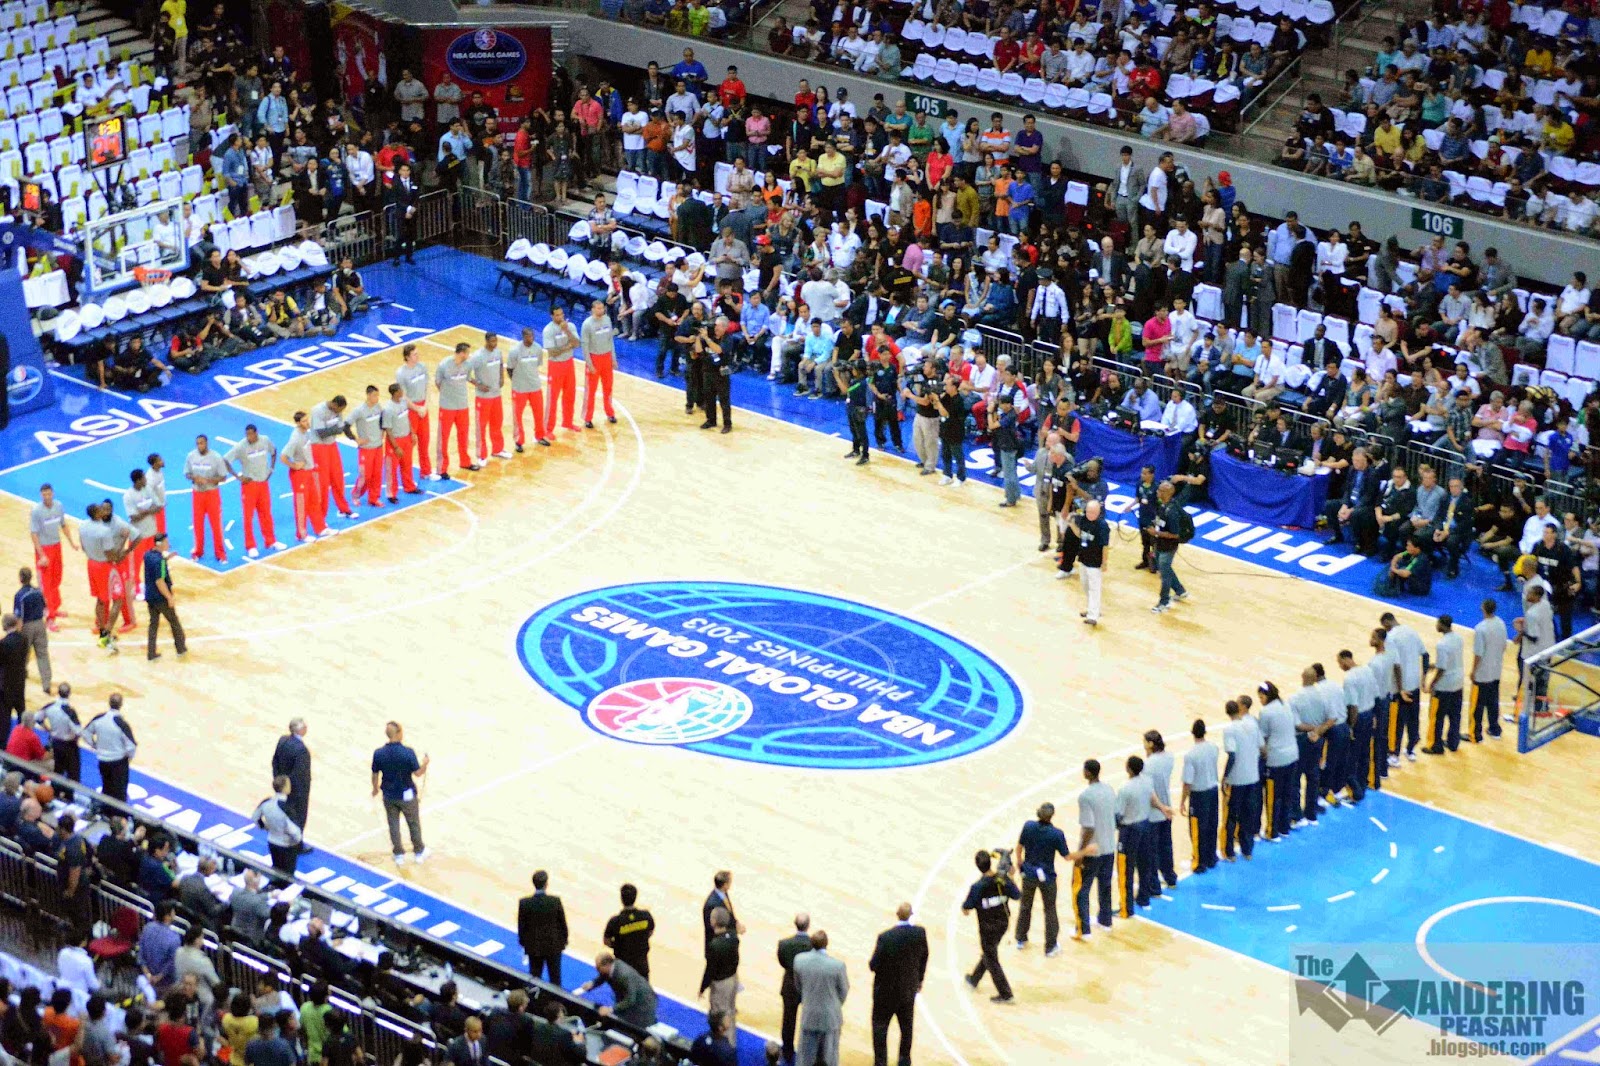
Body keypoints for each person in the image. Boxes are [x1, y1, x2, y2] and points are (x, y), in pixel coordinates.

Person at [868, 903, 926, 1066]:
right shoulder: (919, 934)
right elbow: (924, 958)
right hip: (908, 991)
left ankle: (880, 1063)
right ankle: (904, 1061)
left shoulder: (885, 937)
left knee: (880, 1028)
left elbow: (874, 965)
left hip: (885, 993)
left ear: (896, 914)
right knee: (906, 1028)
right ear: (911, 915)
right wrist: (919, 980)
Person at [962, 849, 1018, 1002]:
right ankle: (974, 979)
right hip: (1003, 924)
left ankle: (1006, 994)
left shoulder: (977, 887)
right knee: (989, 952)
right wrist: (1010, 877)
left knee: (991, 958)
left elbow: (966, 908)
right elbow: (1017, 895)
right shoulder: (1002, 880)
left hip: (987, 928)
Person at [371, 721, 429, 865]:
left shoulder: (379, 753)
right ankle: (419, 852)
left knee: (393, 825)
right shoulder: (407, 752)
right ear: (398, 733)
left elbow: (374, 774)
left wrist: (375, 788)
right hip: (407, 795)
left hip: (389, 795)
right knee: (413, 823)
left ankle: (398, 855)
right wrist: (425, 764)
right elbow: (417, 773)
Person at [1013, 803, 1068, 955]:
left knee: (1025, 906)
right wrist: (1084, 852)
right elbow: (1067, 856)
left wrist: (1020, 864)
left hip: (1029, 874)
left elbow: (1019, 847)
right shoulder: (1057, 834)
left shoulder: (1028, 826)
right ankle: (1050, 947)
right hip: (1047, 878)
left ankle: (1020, 938)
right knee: (1050, 910)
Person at [225, 425, 283, 557]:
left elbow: (274, 452)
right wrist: (237, 476)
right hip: (249, 485)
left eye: (251, 434)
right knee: (248, 516)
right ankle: (250, 546)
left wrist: (272, 469)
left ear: (256, 433)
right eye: (247, 435)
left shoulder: (265, 440)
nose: (249, 437)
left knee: (266, 514)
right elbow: (225, 460)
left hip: (263, 483)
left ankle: (271, 541)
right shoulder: (241, 446)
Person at [793, 930, 849, 1066]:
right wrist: (833, 1005)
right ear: (826, 944)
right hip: (830, 1018)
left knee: (805, 1059)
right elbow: (844, 990)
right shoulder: (837, 966)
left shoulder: (799, 960)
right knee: (830, 1059)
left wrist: (809, 1000)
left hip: (809, 1015)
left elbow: (798, 986)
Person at [1381, 611, 1427, 763]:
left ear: (1387, 622)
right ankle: (1411, 750)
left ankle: (1394, 755)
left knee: (1397, 722)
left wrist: (1400, 688)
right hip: (1414, 685)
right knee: (1413, 719)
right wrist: (1424, 678)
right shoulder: (1411, 631)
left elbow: (1396, 665)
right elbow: (1425, 655)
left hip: (1399, 688)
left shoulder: (1391, 637)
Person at [29, 484, 76, 629]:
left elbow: (63, 525)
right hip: (44, 549)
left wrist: (72, 542)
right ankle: (49, 617)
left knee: (56, 579)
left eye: (49, 494)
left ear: (53, 493)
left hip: (56, 546)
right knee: (46, 584)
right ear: (41, 495)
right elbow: (34, 534)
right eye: (44, 495)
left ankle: (54, 608)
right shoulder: (36, 511)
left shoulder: (59, 506)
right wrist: (41, 555)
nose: (47, 497)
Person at [1221, 699, 1262, 861]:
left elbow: (1232, 754)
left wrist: (1225, 776)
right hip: (1253, 776)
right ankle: (1247, 849)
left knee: (1231, 816)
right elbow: (1261, 745)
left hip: (1237, 779)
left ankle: (1229, 852)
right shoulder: (1252, 724)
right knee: (1248, 813)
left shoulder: (1229, 729)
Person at [1179, 719, 1220, 873]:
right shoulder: (1213, 748)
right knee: (1211, 824)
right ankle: (1211, 857)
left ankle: (1198, 862)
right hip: (1213, 791)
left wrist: (1183, 800)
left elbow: (1187, 782)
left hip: (1199, 795)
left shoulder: (1190, 755)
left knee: (1197, 830)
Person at [575, 952, 657, 1029]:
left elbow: (630, 999)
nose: (597, 970)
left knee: (633, 1028)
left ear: (606, 965)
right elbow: (603, 976)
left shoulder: (624, 975)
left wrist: (611, 1009)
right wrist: (593, 983)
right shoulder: (612, 967)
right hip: (631, 998)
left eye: (598, 968)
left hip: (643, 1004)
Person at [309, 397, 358, 519]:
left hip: (332, 445)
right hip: (319, 447)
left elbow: (340, 428)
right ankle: (320, 516)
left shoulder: (338, 410)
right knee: (323, 482)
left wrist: (334, 430)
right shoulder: (317, 411)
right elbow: (321, 433)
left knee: (338, 478)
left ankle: (343, 509)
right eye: (338, 410)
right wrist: (335, 430)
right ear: (334, 404)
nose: (339, 413)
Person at [467, 333, 512, 465]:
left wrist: (502, 377)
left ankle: (498, 449)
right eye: (492, 341)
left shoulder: (498, 352)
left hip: (496, 395)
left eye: (496, 341)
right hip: (483, 398)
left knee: (497, 423)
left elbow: (500, 364)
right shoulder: (477, 356)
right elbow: (466, 373)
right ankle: (481, 455)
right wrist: (478, 385)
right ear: (486, 341)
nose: (495, 343)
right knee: (481, 426)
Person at [517, 869, 568, 986]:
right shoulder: (555, 901)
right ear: (546, 884)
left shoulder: (524, 903)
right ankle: (556, 1003)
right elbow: (563, 925)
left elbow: (522, 928)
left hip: (534, 948)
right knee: (555, 980)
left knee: (534, 979)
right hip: (554, 947)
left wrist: (525, 945)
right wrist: (563, 943)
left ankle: (534, 1002)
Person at [1423, 614, 1465, 754]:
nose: (1436, 625)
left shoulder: (1442, 645)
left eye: (1437, 623)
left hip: (1445, 686)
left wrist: (1432, 683)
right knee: (1455, 716)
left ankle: (1436, 746)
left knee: (1437, 717)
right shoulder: (1458, 638)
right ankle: (1453, 743)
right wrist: (1435, 665)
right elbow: (1451, 660)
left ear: (1442, 625)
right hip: (1458, 683)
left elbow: (1442, 668)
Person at [183, 435, 229, 563]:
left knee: (216, 525)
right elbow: (187, 473)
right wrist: (194, 478)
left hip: (212, 493)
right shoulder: (191, 456)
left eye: (202, 443)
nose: (200, 446)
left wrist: (208, 480)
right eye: (198, 443)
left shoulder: (216, 457)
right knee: (198, 524)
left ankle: (220, 554)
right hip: (197, 494)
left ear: (207, 443)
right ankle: (197, 552)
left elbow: (223, 477)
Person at [434, 346, 479, 477]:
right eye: (467, 353)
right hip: (447, 407)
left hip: (463, 406)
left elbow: (468, 378)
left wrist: (479, 384)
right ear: (461, 353)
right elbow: (438, 383)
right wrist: (447, 395)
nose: (469, 355)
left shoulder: (468, 365)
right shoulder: (443, 365)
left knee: (463, 435)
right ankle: (441, 468)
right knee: (443, 438)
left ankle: (465, 462)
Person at [82, 693, 136, 802]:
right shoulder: (121, 724)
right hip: (118, 762)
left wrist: (94, 745)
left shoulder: (99, 718)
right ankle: (118, 815)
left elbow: (85, 733)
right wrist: (128, 757)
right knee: (119, 792)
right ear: (121, 705)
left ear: (109, 703)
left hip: (103, 760)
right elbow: (131, 746)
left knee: (106, 787)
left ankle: (105, 811)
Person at [1148, 481, 1191, 613]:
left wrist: (1156, 533)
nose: (1157, 492)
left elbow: (1175, 534)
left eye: (1160, 490)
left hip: (1168, 546)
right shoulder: (1163, 505)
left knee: (1164, 575)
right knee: (1163, 568)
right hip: (1160, 543)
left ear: (1167, 493)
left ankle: (1164, 602)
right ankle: (1180, 590)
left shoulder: (1172, 511)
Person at [142, 533, 186, 661]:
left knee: (153, 625)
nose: (169, 544)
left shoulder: (148, 555)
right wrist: (169, 598)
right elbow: (160, 581)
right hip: (161, 598)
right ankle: (181, 648)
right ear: (160, 544)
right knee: (174, 622)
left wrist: (167, 559)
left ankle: (151, 653)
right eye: (166, 542)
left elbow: (155, 567)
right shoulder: (160, 561)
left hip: (150, 596)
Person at [506, 328, 550, 451]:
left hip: (535, 386)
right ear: (523, 336)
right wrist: (516, 381)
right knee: (517, 415)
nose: (531, 338)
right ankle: (519, 441)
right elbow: (509, 369)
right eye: (529, 336)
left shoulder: (538, 348)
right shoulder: (515, 351)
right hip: (519, 388)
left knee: (539, 413)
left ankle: (539, 436)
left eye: (533, 336)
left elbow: (536, 365)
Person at [776, 914, 812, 1064]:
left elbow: (783, 962)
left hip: (790, 985)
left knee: (788, 1021)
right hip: (808, 987)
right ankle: (807, 1054)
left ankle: (787, 1052)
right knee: (808, 1022)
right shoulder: (813, 945)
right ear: (808, 925)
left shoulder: (784, 944)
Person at [396, 345, 434, 481]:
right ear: (407, 357)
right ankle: (406, 475)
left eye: (418, 354)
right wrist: (417, 408)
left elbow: (428, 386)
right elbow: (403, 396)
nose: (417, 357)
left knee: (425, 441)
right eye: (414, 355)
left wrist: (425, 406)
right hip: (411, 411)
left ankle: (426, 471)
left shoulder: (422, 367)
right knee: (410, 443)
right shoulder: (401, 373)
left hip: (423, 408)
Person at [1471, 599, 1508, 741]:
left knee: (1478, 705)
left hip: (1483, 673)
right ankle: (1495, 729)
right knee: (1493, 702)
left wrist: (1473, 671)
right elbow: (1504, 646)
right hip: (1496, 669)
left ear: (1483, 608)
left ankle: (1476, 733)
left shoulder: (1480, 628)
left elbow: (1478, 653)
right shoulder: (1501, 623)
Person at [253, 775, 303, 876]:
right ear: (284, 788)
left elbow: (255, 817)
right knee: (287, 876)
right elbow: (295, 832)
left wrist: (264, 827)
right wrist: (296, 844)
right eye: (288, 784)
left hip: (272, 841)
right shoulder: (286, 807)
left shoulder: (266, 802)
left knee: (276, 872)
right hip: (286, 846)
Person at [700, 906, 741, 1029]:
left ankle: (722, 1045)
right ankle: (731, 1043)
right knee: (730, 1012)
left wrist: (703, 987)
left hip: (720, 985)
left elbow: (710, 970)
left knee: (719, 1018)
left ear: (713, 922)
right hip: (733, 979)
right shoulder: (734, 938)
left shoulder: (715, 945)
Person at [603, 883, 655, 978]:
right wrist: (639, 939)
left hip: (623, 968)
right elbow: (650, 932)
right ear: (635, 897)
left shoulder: (615, 921)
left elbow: (606, 941)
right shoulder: (646, 916)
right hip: (642, 966)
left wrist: (619, 945)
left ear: (621, 898)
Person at [581, 300, 620, 428]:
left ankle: (610, 413)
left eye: (602, 308)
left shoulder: (607, 320)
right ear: (592, 309)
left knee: (608, 388)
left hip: (607, 358)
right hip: (594, 358)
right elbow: (585, 346)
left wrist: (613, 359)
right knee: (590, 391)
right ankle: (587, 417)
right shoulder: (587, 324)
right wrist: (589, 363)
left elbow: (610, 340)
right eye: (598, 308)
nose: (600, 310)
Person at [543, 307, 581, 434]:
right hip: (555, 366)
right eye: (557, 315)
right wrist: (568, 346)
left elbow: (577, 344)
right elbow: (552, 352)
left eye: (562, 314)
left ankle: (568, 422)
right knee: (552, 398)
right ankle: (547, 429)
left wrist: (567, 331)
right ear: (552, 316)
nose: (560, 317)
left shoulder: (570, 326)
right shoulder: (548, 330)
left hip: (569, 363)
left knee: (570, 394)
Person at [272, 718, 312, 833]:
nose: (306, 728)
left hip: (282, 786)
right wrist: (296, 791)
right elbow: (301, 775)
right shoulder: (302, 751)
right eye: (304, 727)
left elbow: (275, 761)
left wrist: (278, 780)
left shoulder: (282, 740)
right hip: (296, 792)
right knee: (297, 817)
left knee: (282, 812)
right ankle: (296, 844)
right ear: (300, 731)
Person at [41, 683, 80, 796]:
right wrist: (75, 739)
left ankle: (54, 793)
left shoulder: (50, 706)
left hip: (55, 742)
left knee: (58, 769)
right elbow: (78, 731)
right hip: (69, 745)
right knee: (73, 773)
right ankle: (68, 795)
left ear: (58, 692)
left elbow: (37, 717)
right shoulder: (69, 712)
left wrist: (47, 729)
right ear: (69, 694)